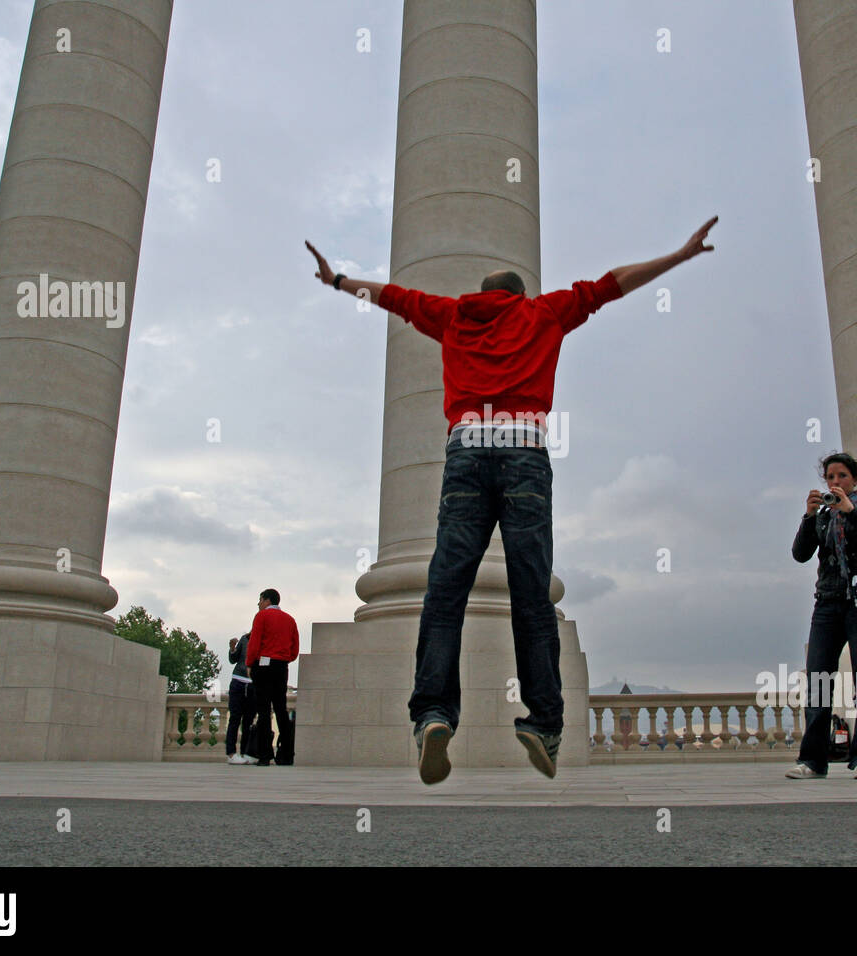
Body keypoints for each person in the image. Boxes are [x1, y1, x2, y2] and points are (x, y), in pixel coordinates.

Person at [305, 217, 718, 784]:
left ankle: (432, 712)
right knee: (530, 593)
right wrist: (678, 255)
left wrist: (338, 280)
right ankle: (543, 722)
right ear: (521, 294)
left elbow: (392, 299)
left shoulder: (451, 315)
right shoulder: (544, 313)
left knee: (445, 590)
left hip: (466, 452)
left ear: (482, 294)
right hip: (523, 449)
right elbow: (611, 284)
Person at [787, 452, 857, 779]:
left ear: (855, 479)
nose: (835, 482)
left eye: (842, 476)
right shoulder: (821, 516)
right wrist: (808, 516)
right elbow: (800, 554)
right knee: (818, 680)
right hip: (828, 603)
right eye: (830, 477)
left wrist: (851, 512)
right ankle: (813, 761)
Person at [244, 589, 300, 767]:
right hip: (282, 666)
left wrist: (249, 663)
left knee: (263, 710)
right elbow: (295, 649)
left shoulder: (261, 617)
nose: (259, 604)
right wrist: (284, 659)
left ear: (267, 600)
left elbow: (254, 643)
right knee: (281, 710)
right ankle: (286, 754)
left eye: (260, 600)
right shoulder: (290, 619)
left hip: (263, 665)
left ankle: (264, 755)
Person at [225, 632, 257, 765]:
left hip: (253, 683)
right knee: (235, 718)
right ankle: (231, 753)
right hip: (238, 681)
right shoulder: (245, 638)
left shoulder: (263, 641)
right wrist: (232, 648)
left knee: (248, 721)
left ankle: (245, 752)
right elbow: (233, 659)